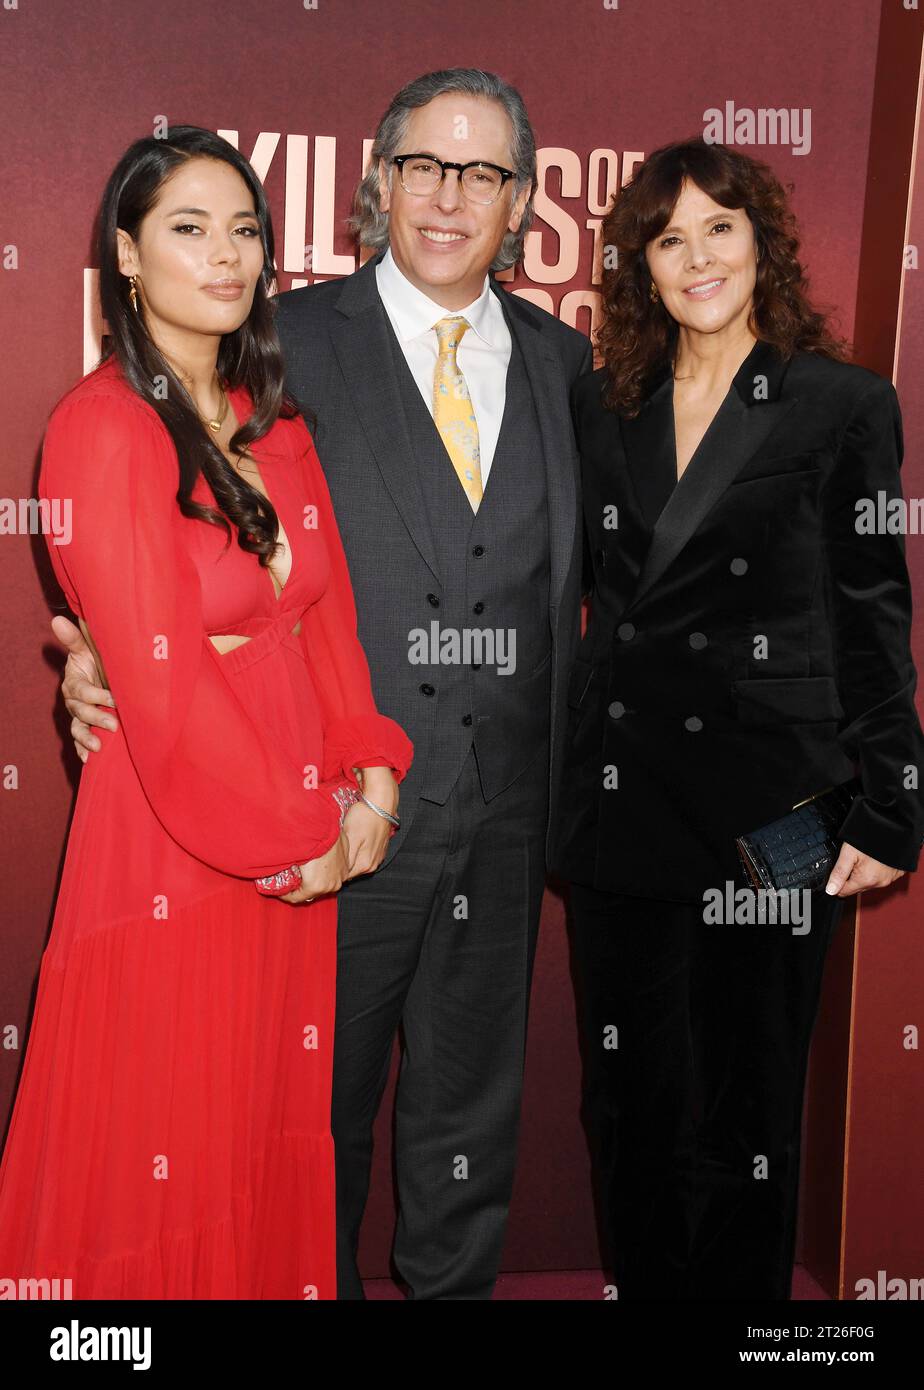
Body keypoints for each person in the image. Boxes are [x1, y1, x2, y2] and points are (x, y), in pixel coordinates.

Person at [54, 70, 592, 1300]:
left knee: (468, 1134)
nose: (452, 198)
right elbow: (179, 550)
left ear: (523, 201)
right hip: (329, 816)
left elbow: (624, 582)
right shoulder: (281, 341)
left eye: (485, 174)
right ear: (379, 183)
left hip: (500, 815)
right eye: (425, 167)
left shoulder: (568, 363)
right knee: (300, 1127)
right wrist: (105, 658)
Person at [0, 127, 412, 1299]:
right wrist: (310, 835)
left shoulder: (275, 423)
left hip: (301, 845)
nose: (226, 256)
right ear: (126, 255)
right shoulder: (99, 429)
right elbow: (166, 685)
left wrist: (372, 778)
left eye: (245, 230)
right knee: (156, 1155)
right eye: (189, 227)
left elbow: (327, 631)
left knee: (252, 1142)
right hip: (184, 843)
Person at [552, 137, 924, 1299]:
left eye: (721, 226)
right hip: (625, 801)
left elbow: (874, 608)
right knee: (630, 1098)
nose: (698, 255)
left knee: (749, 1103)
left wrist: (893, 798)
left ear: (762, 240)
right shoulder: (609, 406)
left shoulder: (844, 404)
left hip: (781, 807)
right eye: (670, 238)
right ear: (641, 269)